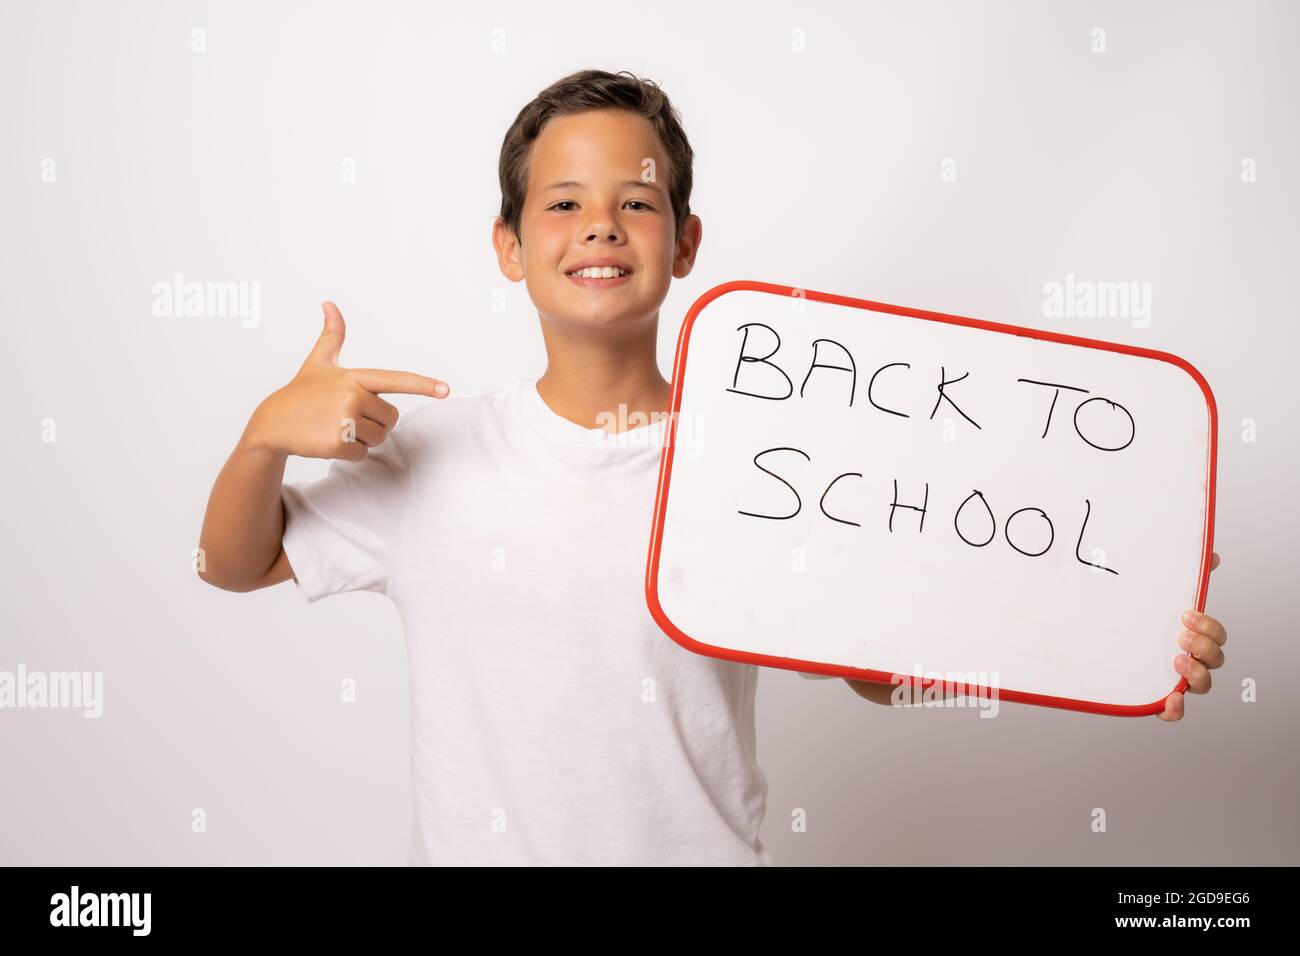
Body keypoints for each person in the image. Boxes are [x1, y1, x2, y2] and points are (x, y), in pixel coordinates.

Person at [195, 68, 1227, 865]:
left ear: (685, 242)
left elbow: (879, 675)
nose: (600, 222)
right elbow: (237, 562)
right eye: (561, 204)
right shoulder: (430, 453)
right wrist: (260, 440)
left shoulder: (764, 464)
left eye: (636, 203)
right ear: (507, 245)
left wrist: (1112, 641)